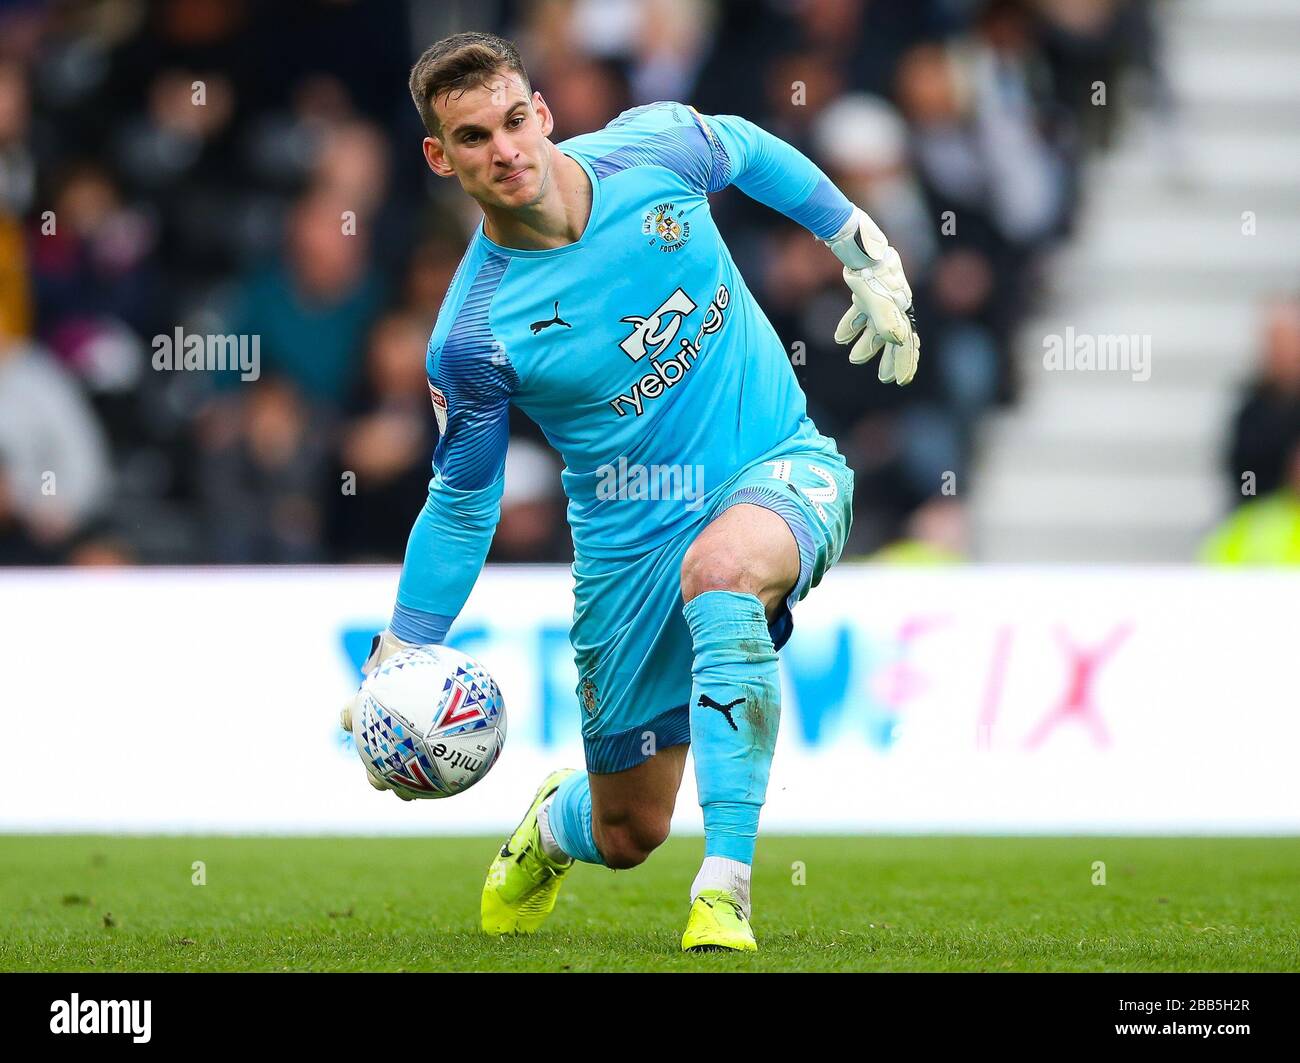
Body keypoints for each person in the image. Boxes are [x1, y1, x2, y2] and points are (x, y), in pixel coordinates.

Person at [339, 32, 919, 953]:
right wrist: (401, 652)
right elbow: (462, 503)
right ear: (439, 157)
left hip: (775, 461)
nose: (507, 149)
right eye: (476, 136)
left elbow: (748, 146)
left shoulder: (655, 148)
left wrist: (857, 242)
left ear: (545, 111)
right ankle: (550, 828)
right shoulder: (474, 336)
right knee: (628, 829)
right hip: (626, 545)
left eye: (516, 119)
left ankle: (724, 886)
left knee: (725, 569)